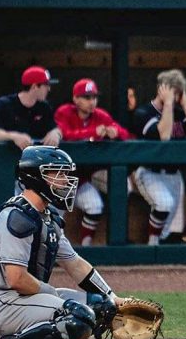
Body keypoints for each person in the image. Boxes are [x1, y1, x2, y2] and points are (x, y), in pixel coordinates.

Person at [0, 145, 125, 339]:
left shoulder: (47, 218)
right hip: (4, 301)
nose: (64, 181)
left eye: (64, 174)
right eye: (55, 173)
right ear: (35, 177)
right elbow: (15, 278)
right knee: (78, 316)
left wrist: (112, 296)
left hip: (27, 298)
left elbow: (75, 263)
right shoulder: (17, 217)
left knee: (101, 307)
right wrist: (56, 296)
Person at [54, 79, 133, 245]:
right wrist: (92, 132)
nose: (92, 102)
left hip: (81, 180)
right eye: (86, 97)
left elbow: (126, 135)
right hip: (59, 179)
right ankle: (52, 252)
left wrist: (115, 132)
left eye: (94, 97)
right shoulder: (64, 112)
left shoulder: (100, 115)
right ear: (76, 99)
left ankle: (86, 248)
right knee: (54, 217)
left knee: (95, 206)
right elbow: (65, 135)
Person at [131, 69, 186, 245]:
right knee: (164, 203)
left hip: (174, 174)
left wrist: (185, 104)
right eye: (173, 91)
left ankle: (157, 249)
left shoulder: (180, 113)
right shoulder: (144, 112)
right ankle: (152, 245)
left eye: (178, 92)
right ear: (161, 90)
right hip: (149, 172)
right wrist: (169, 104)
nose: (176, 96)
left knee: (169, 225)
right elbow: (163, 135)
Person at [0, 65, 63, 150]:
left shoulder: (44, 106)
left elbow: (55, 128)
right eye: (46, 85)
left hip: (36, 158)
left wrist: (55, 133)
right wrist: (14, 136)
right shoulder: (4, 104)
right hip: (7, 158)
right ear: (34, 87)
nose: (49, 89)